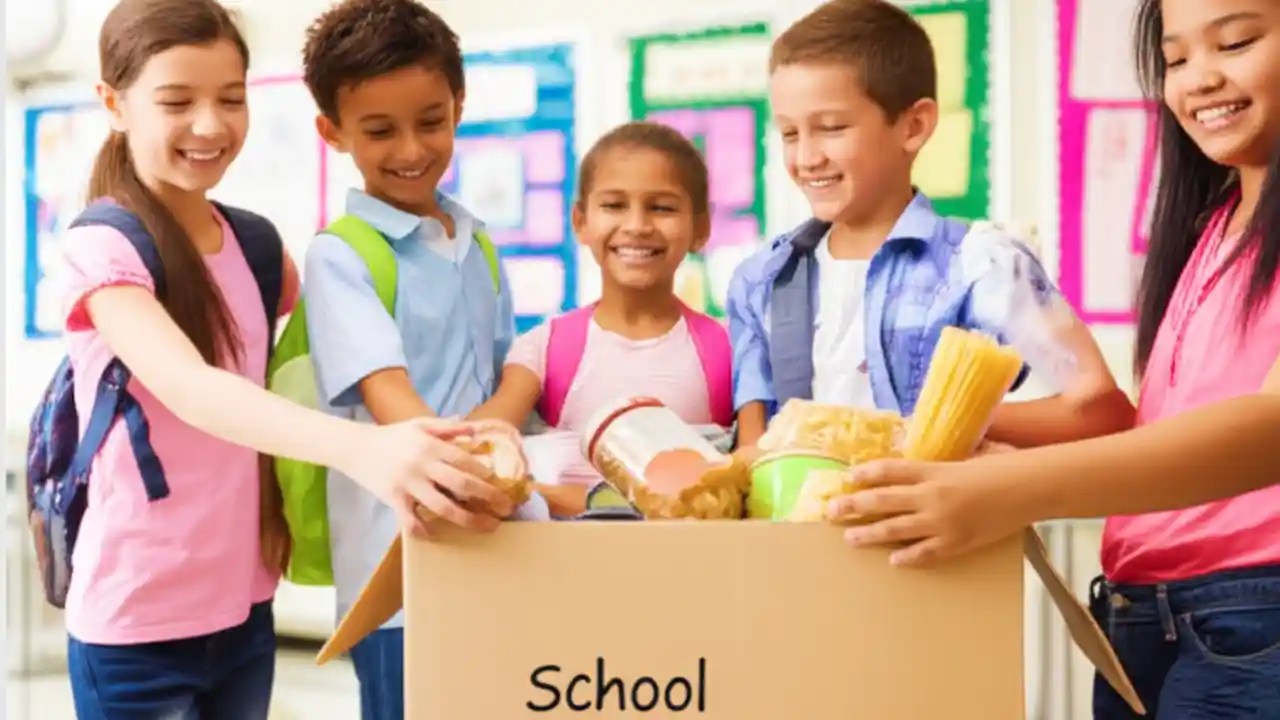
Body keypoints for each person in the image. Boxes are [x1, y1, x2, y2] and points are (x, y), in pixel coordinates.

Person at [59, 1, 507, 719]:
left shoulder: (258, 247)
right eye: (177, 101)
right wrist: (371, 449)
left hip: (244, 609)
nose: (210, 125)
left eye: (230, 99)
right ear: (114, 104)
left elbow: (296, 368)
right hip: (137, 622)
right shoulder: (102, 248)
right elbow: (193, 389)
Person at [834, 0, 1280, 716]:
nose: (1199, 79)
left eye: (1235, 42)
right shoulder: (1212, 228)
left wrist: (1015, 489)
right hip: (1142, 617)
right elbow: (1160, 430)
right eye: (1175, 58)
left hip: (1249, 616)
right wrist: (984, 440)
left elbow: (1270, 428)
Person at [727, 0, 1133, 451]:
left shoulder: (982, 265)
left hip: (938, 520)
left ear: (914, 126)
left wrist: (941, 424)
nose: (805, 157)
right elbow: (752, 452)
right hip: (799, 523)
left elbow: (1101, 411)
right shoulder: (762, 279)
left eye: (832, 127)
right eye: (789, 134)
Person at [298, 0, 540, 716]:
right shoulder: (340, 255)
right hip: (401, 572)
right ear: (333, 132)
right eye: (379, 130)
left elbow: (508, 385)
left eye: (430, 121)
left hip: (498, 544)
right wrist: (491, 447)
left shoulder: (477, 241)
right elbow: (394, 408)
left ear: (459, 106)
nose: (411, 148)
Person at [470, 121, 733, 505]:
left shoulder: (729, 347)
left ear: (701, 228)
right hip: (570, 563)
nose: (637, 226)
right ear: (581, 222)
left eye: (661, 208)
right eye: (614, 206)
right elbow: (485, 438)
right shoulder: (545, 348)